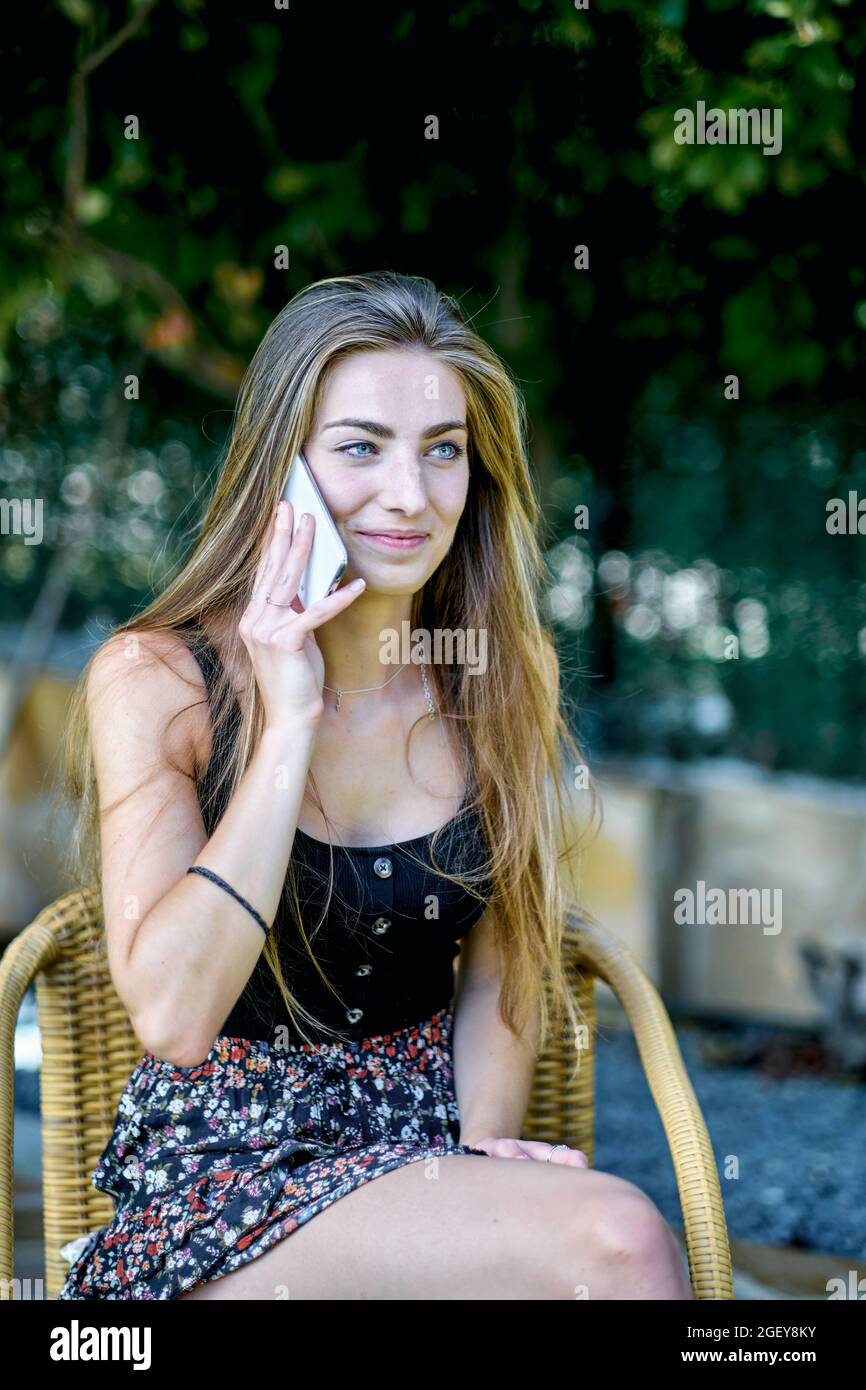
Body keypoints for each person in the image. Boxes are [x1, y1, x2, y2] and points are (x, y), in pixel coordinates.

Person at [57, 271, 694, 1300]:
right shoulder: (157, 679)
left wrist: (486, 1150)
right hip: (222, 1180)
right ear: (285, 465)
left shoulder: (497, 670)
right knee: (618, 1237)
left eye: (441, 449)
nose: (410, 494)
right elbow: (173, 1015)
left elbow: (506, 966)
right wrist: (289, 720)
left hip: (423, 1159)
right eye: (359, 446)